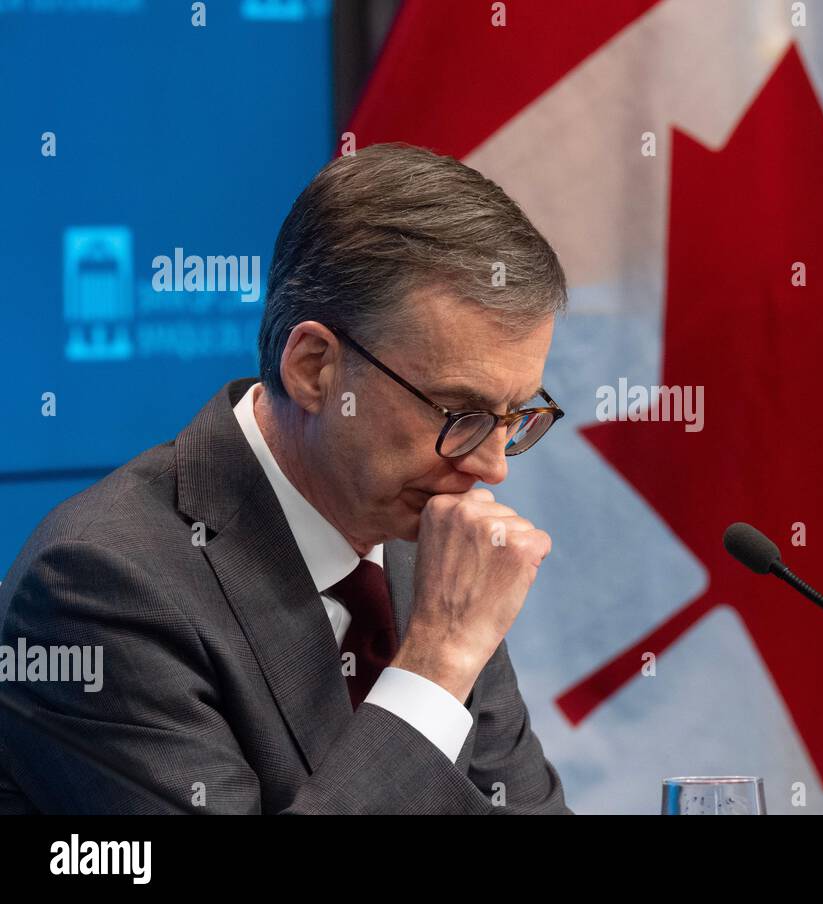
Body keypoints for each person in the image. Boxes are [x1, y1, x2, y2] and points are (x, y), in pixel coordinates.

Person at [0, 143, 572, 814]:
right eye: (460, 413)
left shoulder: (428, 548)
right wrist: (438, 662)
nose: (491, 466)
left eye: (515, 417)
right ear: (314, 368)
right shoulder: (102, 584)